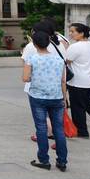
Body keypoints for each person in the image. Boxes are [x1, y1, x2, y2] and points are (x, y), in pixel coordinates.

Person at [24, 29, 69, 171]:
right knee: (59, 129)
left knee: (41, 128)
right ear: (49, 42)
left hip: (37, 96)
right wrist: (64, 98)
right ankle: (62, 161)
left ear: (34, 44)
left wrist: (34, 77)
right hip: (56, 97)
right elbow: (63, 81)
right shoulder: (59, 60)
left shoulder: (32, 59)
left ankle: (44, 160)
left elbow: (25, 78)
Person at [65, 22, 90, 139]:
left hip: (78, 81)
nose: (70, 34)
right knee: (88, 104)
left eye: (73, 31)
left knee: (78, 108)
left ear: (81, 33)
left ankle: (82, 131)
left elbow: (67, 61)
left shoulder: (75, 46)